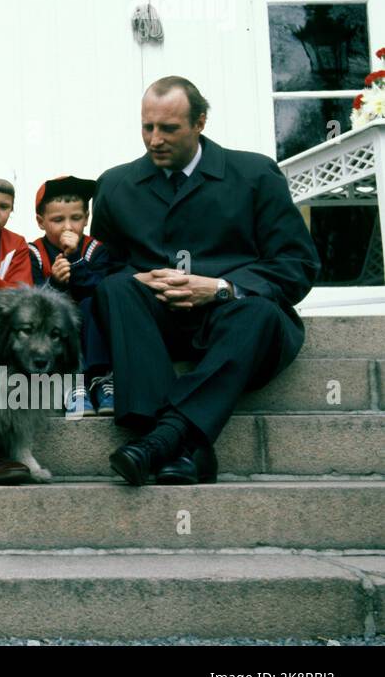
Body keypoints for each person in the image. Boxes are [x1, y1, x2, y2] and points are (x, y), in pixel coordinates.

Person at [92, 76, 319, 486]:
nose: (154, 140)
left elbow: (297, 263)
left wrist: (219, 288)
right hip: (155, 324)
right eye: (147, 127)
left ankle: (159, 439)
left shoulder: (255, 174)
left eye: (169, 128)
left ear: (200, 122)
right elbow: (104, 266)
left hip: (234, 320)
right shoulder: (114, 185)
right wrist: (137, 277)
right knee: (116, 288)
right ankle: (183, 446)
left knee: (260, 313)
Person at [27, 176, 113, 417]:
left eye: (76, 218)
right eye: (57, 219)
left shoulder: (97, 249)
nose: (68, 227)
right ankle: (73, 384)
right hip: (55, 336)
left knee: (88, 304)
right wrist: (54, 282)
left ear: (86, 218)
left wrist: (76, 260)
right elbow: (32, 301)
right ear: (41, 222)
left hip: (94, 328)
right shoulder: (33, 252)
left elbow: (102, 289)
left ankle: (100, 380)